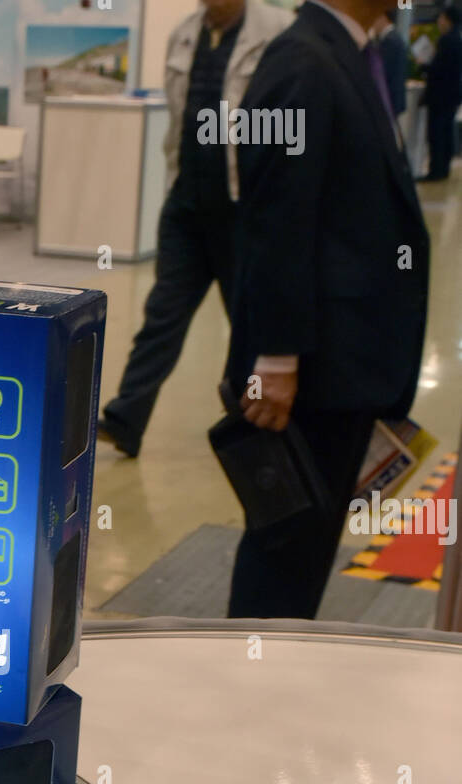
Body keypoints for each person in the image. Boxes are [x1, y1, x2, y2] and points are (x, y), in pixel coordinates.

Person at [224, 0, 430, 620]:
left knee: (306, 550)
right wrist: (277, 356)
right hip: (311, 370)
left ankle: (271, 673)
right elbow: (275, 221)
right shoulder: (302, 62)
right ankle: (249, 688)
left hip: (346, 361)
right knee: (284, 548)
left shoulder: (353, 56)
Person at [100, 0, 291, 460]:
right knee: (163, 312)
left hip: (242, 205)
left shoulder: (279, 32)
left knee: (245, 322)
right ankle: (127, 418)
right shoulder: (185, 35)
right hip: (188, 202)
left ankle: (246, 422)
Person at [420, 3, 462, 181]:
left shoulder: (446, 40)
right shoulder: (458, 38)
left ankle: (435, 170)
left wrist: (424, 65)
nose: (439, 22)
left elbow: (439, 68)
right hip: (452, 95)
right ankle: (443, 168)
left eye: (441, 18)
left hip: (440, 95)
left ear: (448, 20)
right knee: (445, 132)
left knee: (436, 133)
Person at [373, 9, 408, 117]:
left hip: (388, 100)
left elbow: (382, 72)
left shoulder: (390, 41)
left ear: (383, 17)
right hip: (394, 99)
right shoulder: (396, 38)